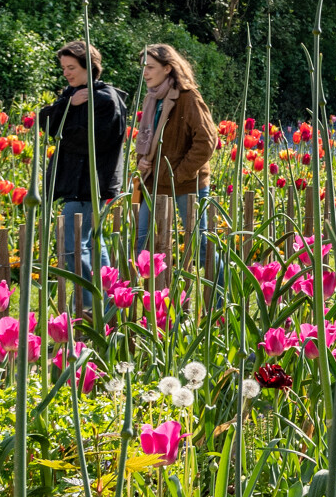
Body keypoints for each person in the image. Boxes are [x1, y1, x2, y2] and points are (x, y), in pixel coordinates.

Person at [37, 41, 127, 307]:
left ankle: (89, 304)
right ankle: (108, 302)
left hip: (90, 183)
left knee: (73, 245)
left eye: (71, 67)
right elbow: (45, 120)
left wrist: (65, 113)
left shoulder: (104, 99)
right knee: (90, 243)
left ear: (90, 67)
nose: (66, 72)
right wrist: (68, 103)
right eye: (63, 67)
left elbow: (82, 140)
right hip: (77, 183)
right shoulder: (73, 95)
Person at [131, 44, 220, 274]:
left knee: (200, 247)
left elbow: (206, 141)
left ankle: (221, 302)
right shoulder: (151, 98)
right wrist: (141, 159)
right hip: (153, 183)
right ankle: (134, 303)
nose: (145, 73)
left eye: (150, 67)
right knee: (140, 244)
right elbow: (147, 139)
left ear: (168, 68)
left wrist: (178, 174)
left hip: (186, 185)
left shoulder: (188, 98)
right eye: (143, 68)